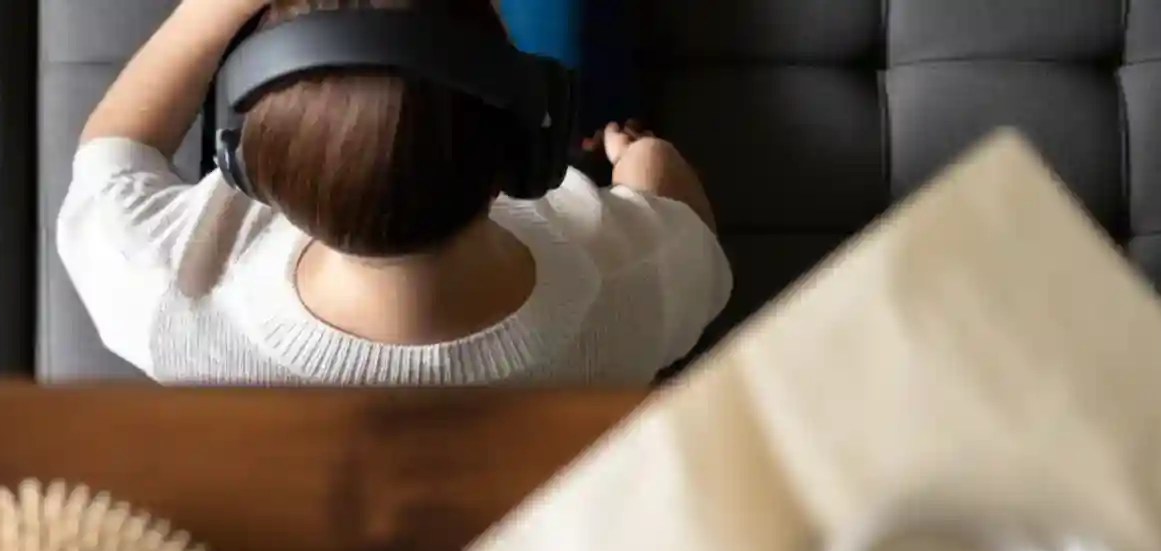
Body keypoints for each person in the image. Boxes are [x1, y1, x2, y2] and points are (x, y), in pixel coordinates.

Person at [58, 0, 730, 386]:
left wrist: (214, 11)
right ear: (531, 155)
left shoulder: (164, 298)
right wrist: (645, 157)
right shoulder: (631, 285)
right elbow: (683, 220)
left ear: (243, 162)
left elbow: (114, 147)